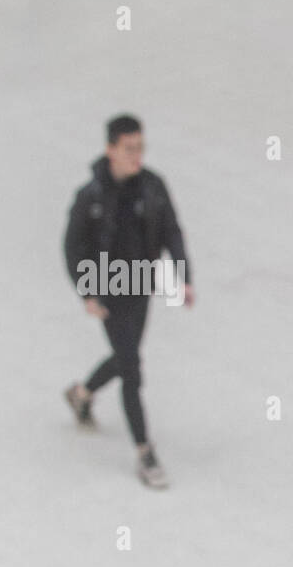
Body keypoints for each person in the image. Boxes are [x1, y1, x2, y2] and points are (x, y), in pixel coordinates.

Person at [62, 114, 194, 489]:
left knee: (126, 358)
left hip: (140, 289)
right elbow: (73, 247)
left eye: (141, 148)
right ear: (111, 150)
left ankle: (82, 394)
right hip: (107, 291)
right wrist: (87, 291)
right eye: (129, 149)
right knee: (132, 370)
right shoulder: (90, 197)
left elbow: (171, 229)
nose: (137, 156)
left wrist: (184, 277)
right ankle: (144, 451)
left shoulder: (152, 187)